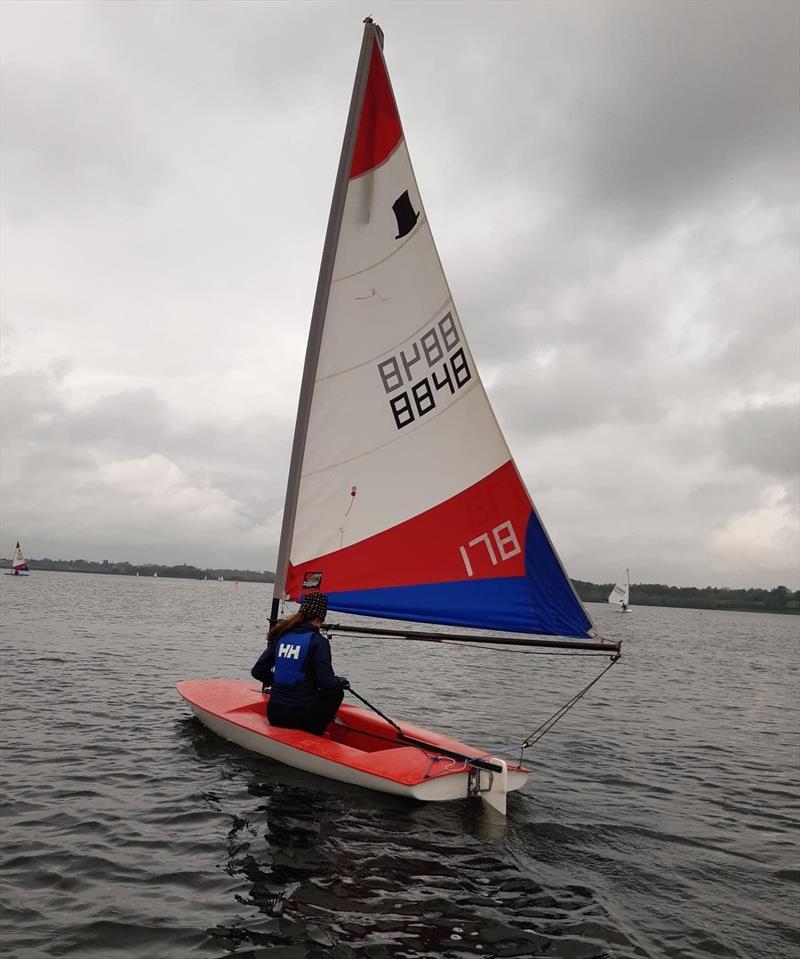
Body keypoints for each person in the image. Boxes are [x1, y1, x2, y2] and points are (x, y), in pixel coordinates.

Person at [251, 593, 349, 736]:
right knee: (336, 692)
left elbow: (257, 671)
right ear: (321, 616)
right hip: (303, 718)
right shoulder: (318, 642)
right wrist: (340, 683)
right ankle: (317, 732)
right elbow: (327, 683)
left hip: (275, 714)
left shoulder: (282, 636)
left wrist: (281, 683)